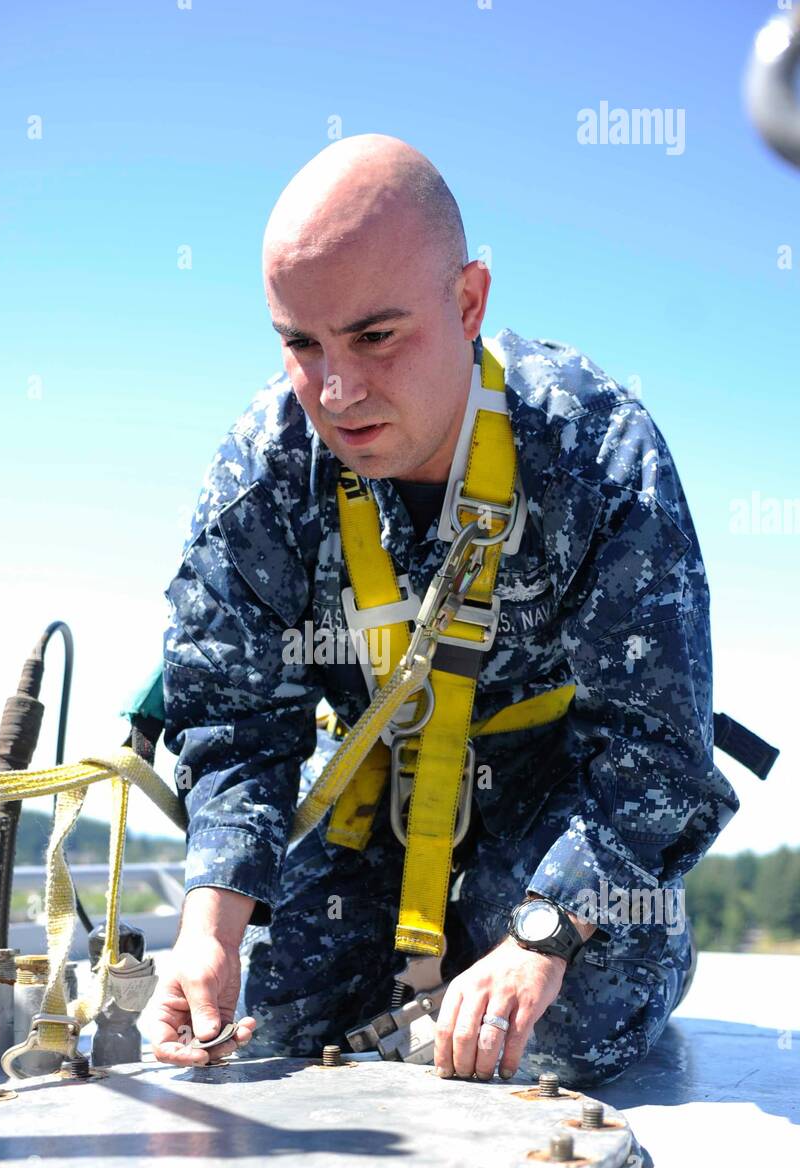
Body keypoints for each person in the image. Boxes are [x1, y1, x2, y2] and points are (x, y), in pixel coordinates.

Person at [151, 133, 738, 1086]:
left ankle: (585, 932)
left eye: (377, 337)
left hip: (552, 814)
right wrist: (208, 928)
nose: (337, 394)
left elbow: (657, 750)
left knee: (568, 1030)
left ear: (468, 302)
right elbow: (234, 721)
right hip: (371, 801)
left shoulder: (598, 451)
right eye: (302, 343)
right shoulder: (263, 471)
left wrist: (542, 936)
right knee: (273, 1026)